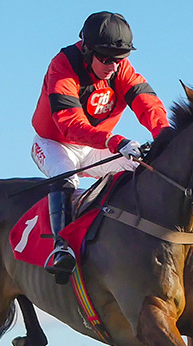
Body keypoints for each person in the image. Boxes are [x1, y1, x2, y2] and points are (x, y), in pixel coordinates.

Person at [30, 11, 170, 281]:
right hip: (55, 143)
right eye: (105, 59)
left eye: (120, 59)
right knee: (66, 176)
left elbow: (148, 104)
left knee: (142, 166)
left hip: (96, 146)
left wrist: (164, 135)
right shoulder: (62, 66)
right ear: (86, 49)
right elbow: (69, 124)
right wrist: (115, 141)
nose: (113, 66)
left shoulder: (120, 69)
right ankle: (62, 249)